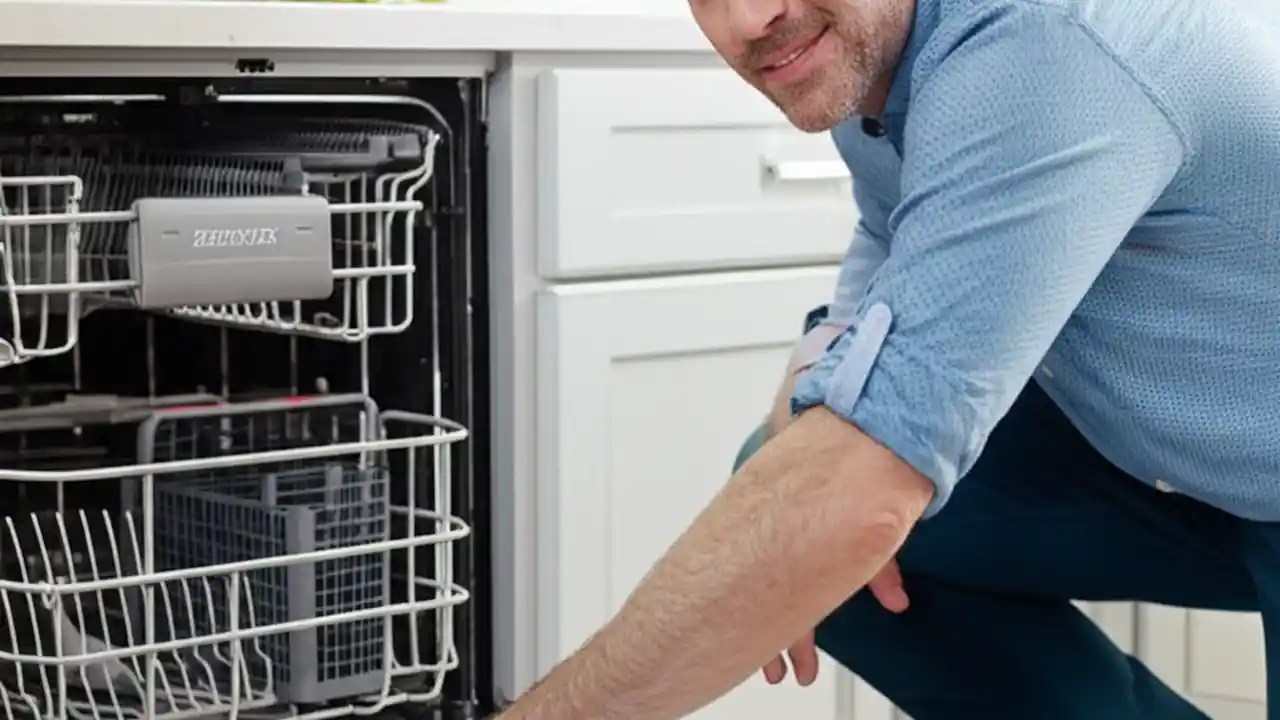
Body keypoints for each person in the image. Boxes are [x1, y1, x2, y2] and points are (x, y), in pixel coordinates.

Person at [497, 0, 1280, 716]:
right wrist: (811, 393)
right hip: (1187, 472)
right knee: (787, 489)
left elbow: (855, 492)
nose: (748, 18)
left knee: (829, 511)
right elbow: (890, 233)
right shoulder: (870, 52)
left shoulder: (1048, 45)